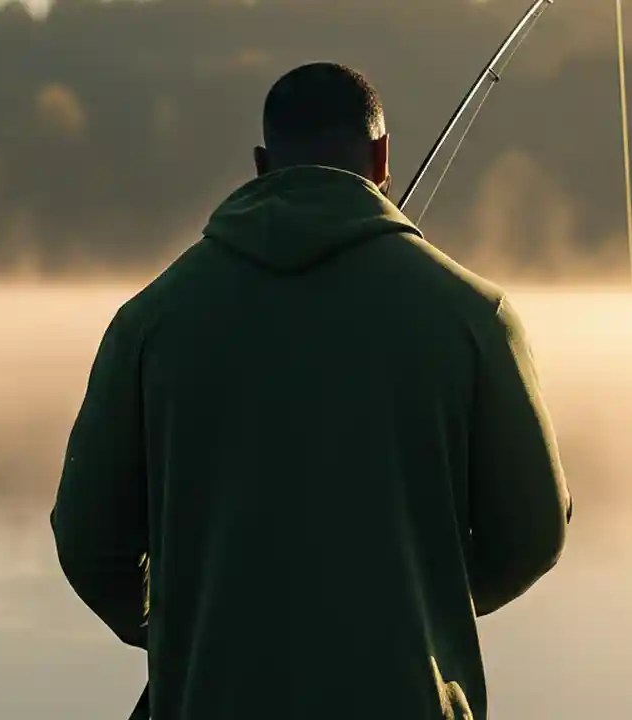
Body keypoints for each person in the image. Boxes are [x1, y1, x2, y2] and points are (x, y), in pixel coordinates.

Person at [51, 62, 571, 720]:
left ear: (263, 164)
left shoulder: (150, 323)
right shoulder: (475, 317)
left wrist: (175, 626)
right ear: (382, 156)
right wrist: (421, 607)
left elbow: (89, 542)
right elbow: (532, 534)